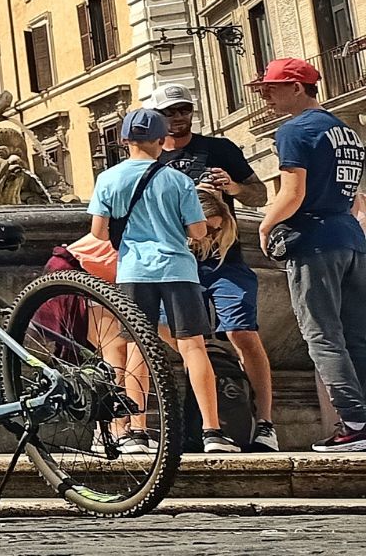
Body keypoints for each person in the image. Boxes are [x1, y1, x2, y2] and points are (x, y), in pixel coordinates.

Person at [88, 108, 237, 453]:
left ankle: (137, 432)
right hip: (179, 271)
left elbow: (97, 231)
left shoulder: (108, 179)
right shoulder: (179, 180)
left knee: (138, 347)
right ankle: (213, 432)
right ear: (160, 140)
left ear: (125, 140)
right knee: (193, 347)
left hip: (134, 272)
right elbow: (198, 230)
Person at [149, 82, 278, 450]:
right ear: (157, 118)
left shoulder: (220, 149)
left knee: (243, 332)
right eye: (170, 112)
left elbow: (261, 194)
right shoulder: (151, 160)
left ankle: (266, 423)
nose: (178, 117)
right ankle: (213, 376)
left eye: (184, 109)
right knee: (160, 327)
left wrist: (235, 188)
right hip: (175, 262)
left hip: (224, 259)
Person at [252, 58, 366, 452]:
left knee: (322, 335)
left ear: (297, 87)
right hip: (350, 238)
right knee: (357, 336)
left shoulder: (295, 131)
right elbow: (353, 197)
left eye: (272, 87)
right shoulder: (345, 131)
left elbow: (292, 193)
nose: (265, 95)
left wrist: (266, 226)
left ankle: (353, 422)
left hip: (313, 239)